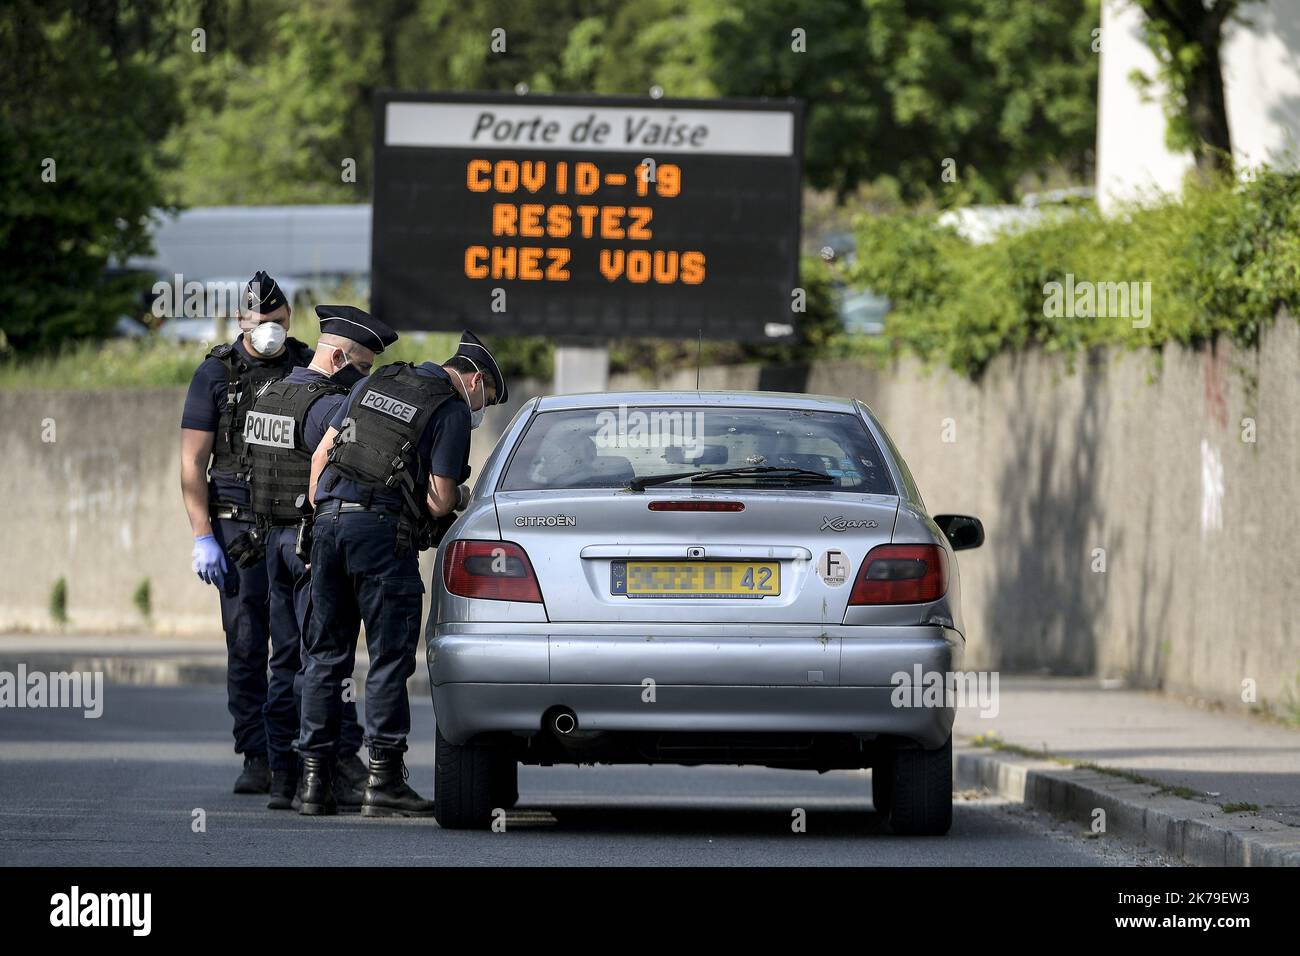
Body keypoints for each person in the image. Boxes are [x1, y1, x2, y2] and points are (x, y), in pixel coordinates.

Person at [295, 330, 507, 817]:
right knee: (389, 659)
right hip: (381, 535)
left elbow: (320, 456)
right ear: (473, 379)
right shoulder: (450, 407)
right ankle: (384, 781)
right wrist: (460, 501)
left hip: (327, 523)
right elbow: (437, 497)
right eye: (487, 399)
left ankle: (313, 784)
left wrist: (325, 515)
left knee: (326, 656)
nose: (482, 410)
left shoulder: (379, 381)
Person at [243, 305, 396, 810]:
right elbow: (339, 466)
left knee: (284, 660)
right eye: (363, 366)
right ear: (337, 357)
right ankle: (324, 773)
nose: (365, 378)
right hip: (309, 544)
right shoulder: (329, 406)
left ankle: (283, 778)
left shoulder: (270, 394)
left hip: (269, 542)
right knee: (322, 662)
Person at [180, 271, 313, 793]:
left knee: (301, 645)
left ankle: (296, 752)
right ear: (242, 321)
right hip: (235, 530)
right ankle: (256, 754)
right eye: (261, 323)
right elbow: (192, 462)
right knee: (246, 643)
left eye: (279, 322)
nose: (271, 332)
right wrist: (201, 535)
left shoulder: (306, 365)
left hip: (291, 523)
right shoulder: (215, 374)